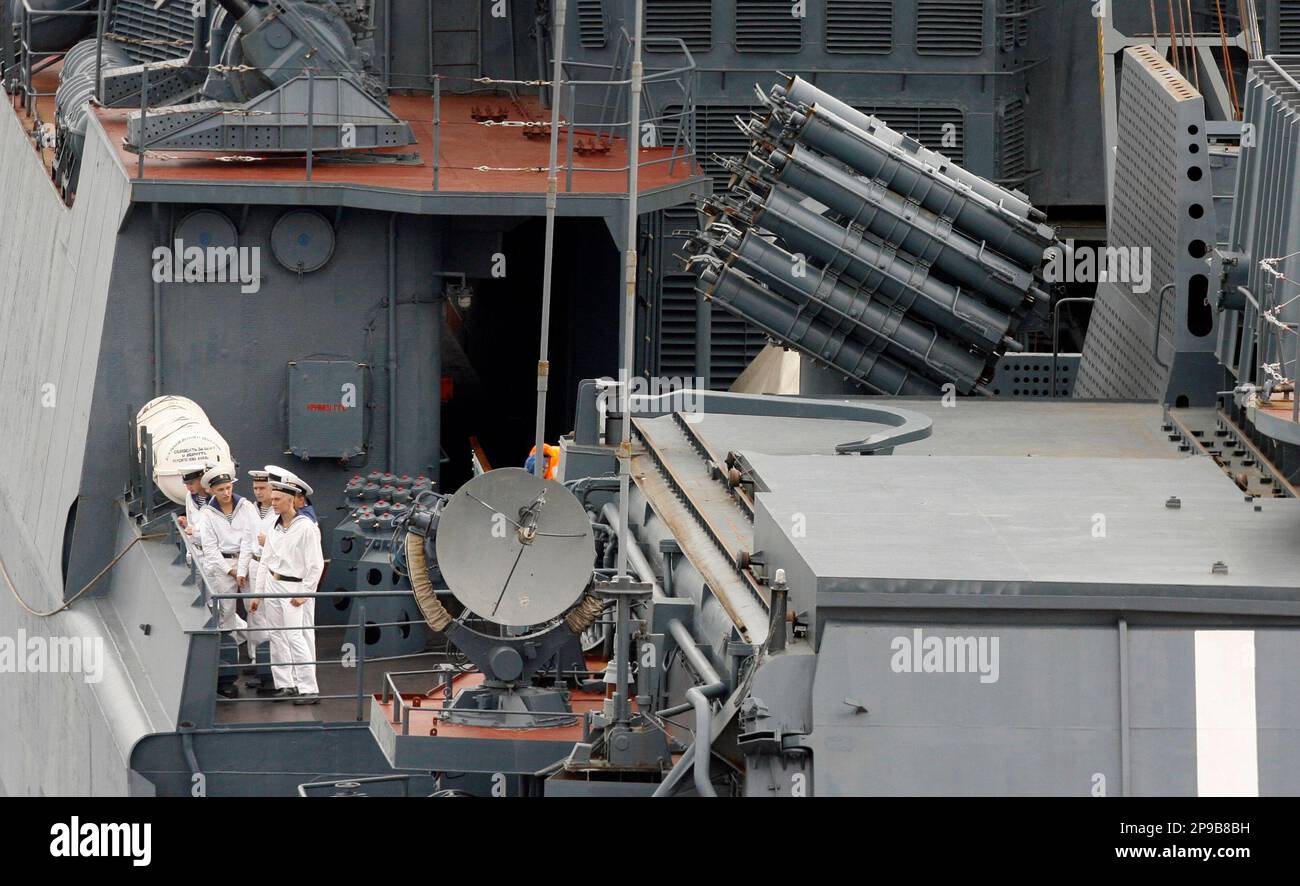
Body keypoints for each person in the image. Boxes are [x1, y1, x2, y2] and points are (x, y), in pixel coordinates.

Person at [253, 467, 323, 705]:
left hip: (294, 587)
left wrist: (305, 593)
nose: (272, 503)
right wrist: (259, 593)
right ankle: (285, 684)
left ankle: (309, 688)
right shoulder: (274, 525)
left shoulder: (306, 528)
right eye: (272, 498)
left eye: (277, 499)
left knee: (295, 636)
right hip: (273, 583)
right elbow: (266, 560)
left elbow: (315, 565)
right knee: (277, 636)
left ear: (290, 500)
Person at [198, 464, 257, 698]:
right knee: (226, 616)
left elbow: (249, 538)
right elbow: (210, 549)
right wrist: (231, 572)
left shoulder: (246, 507)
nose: (226, 492)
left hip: (246, 561)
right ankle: (228, 671)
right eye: (221, 489)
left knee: (256, 611)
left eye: (228, 487)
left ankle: (257, 661)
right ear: (212, 491)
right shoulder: (207, 515)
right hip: (222, 568)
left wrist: (241, 569)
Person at [178, 464, 213, 538]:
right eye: (186, 484)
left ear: (202, 480)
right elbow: (190, 521)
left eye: (191, 483)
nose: (188, 488)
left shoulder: (214, 499)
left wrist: (195, 528)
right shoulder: (189, 496)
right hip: (193, 546)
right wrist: (186, 523)